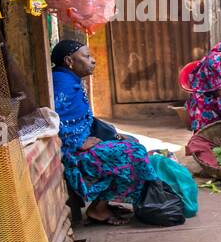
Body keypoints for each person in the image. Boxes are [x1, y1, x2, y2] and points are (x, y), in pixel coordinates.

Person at [51, 40, 153, 226]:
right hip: (71, 153)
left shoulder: (71, 81)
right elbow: (54, 120)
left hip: (80, 144)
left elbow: (82, 119)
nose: (93, 61)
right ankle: (98, 209)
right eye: (87, 56)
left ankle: (102, 203)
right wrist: (77, 143)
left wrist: (110, 134)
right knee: (133, 153)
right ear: (69, 61)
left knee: (131, 143)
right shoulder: (63, 84)